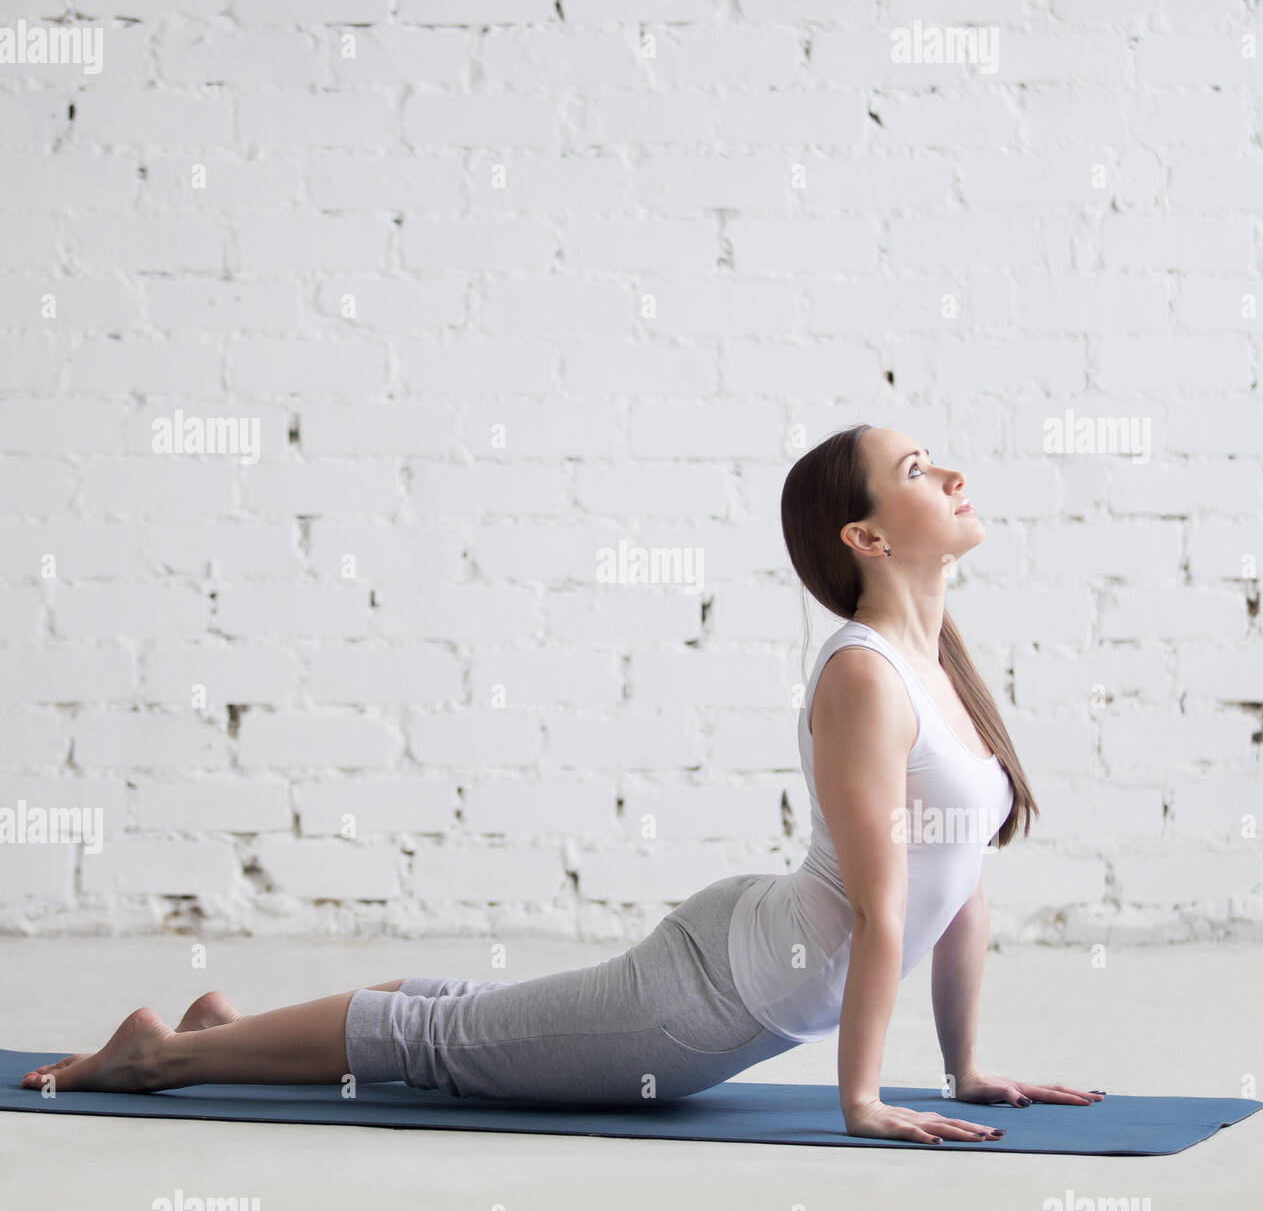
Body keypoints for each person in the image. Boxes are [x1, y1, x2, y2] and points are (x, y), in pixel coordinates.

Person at [20, 424, 1102, 1141]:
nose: (953, 473)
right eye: (918, 469)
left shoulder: (938, 663)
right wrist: (860, 1101)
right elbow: (880, 908)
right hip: (705, 1001)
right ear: (862, 535)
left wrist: (963, 1069)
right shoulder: (866, 674)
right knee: (447, 1046)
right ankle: (160, 1055)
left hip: (746, 955)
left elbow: (957, 885)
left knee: (478, 1017)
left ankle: (226, 1029)